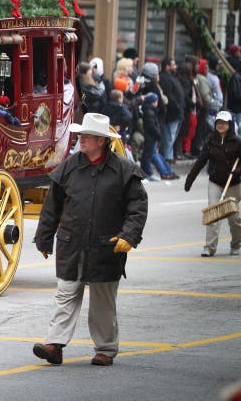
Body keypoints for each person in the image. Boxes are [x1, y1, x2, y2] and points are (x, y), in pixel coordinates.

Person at [33, 113, 147, 367]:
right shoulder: (69, 167)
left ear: (101, 141)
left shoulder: (123, 170)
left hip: (107, 246)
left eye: (86, 136)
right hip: (72, 243)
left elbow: (138, 207)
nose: (81, 139)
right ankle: (55, 345)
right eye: (81, 135)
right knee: (66, 294)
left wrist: (129, 236)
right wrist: (44, 239)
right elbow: (52, 206)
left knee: (103, 300)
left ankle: (105, 349)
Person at [184, 110, 241, 257]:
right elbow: (201, 161)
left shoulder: (237, 142)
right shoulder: (210, 141)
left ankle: (236, 245)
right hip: (215, 182)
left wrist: (238, 171)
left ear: (230, 125)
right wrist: (189, 180)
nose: (221, 125)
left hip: (233, 184)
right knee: (213, 215)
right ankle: (209, 248)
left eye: (224, 123)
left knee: (234, 219)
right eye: (218, 123)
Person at [139, 92, 178, 181]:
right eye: (156, 101)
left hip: (152, 137)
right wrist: (158, 135)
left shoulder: (150, 111)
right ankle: (148, 173)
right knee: (148, 156)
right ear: (153, 102)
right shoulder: (149, 112)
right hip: (151, 137)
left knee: (151, 155)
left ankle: (165, 172)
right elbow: (151, 127)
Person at [158, 56, 184, 162]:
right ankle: (167, 157)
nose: (175, 67)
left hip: (178, 112)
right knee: (169, 136)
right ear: (167, 67)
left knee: (172, 136)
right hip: (171, 113)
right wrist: (176, 106)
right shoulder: (164, 78)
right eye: (173, 65)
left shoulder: (173, 77)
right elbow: (169, 94)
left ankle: (169, 155)